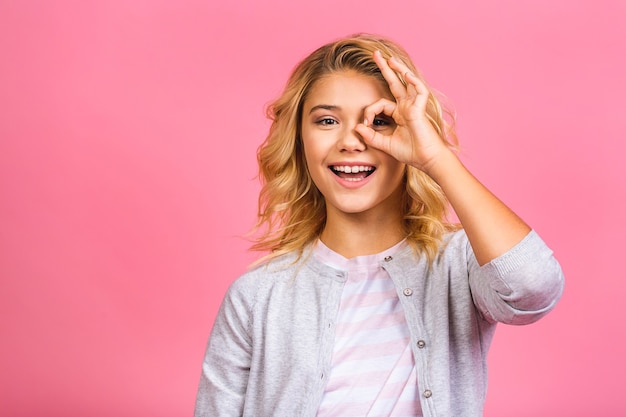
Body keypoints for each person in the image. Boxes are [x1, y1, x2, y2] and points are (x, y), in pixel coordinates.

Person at [194, 34, 564, 417]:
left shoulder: (458, 266)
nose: (352, 141)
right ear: (300, 139)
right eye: (327, 120)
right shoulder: (256, 296)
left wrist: (436, 158)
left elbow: (534, 288)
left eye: (380, 121)